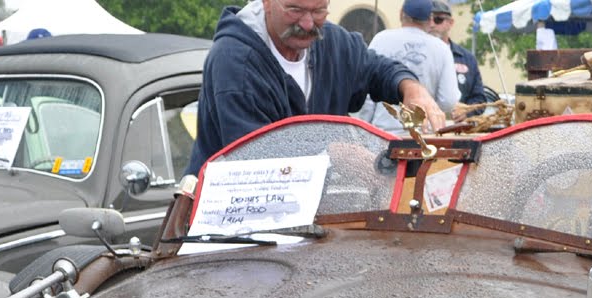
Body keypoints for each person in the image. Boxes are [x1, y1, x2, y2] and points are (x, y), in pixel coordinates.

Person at [186, 0, 449, 175]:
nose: (308, 23)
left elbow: (375, 69)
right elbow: (255, 159)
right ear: (266, 2)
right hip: (231, 221)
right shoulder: (236, 62)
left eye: (319, 10)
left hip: (306, 216)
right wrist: (332, 155)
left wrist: (410, 87)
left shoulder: (334, 42)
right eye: (295, 9)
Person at [359, 0, 460, 134]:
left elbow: (366, 93)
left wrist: (365, 129)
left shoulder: (381, 39)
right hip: (425, 136)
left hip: (383, 134)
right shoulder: (441, 48)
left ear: (401, 14)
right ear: (430, 19)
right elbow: (448, 100)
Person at [427, 0, 493, 108]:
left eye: (438, 19)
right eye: (427, 20)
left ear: (450, 23)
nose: (432, 24)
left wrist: (466, 112)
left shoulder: (467, 58)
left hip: (457, 122)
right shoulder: (415, 55)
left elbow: (479, 98)